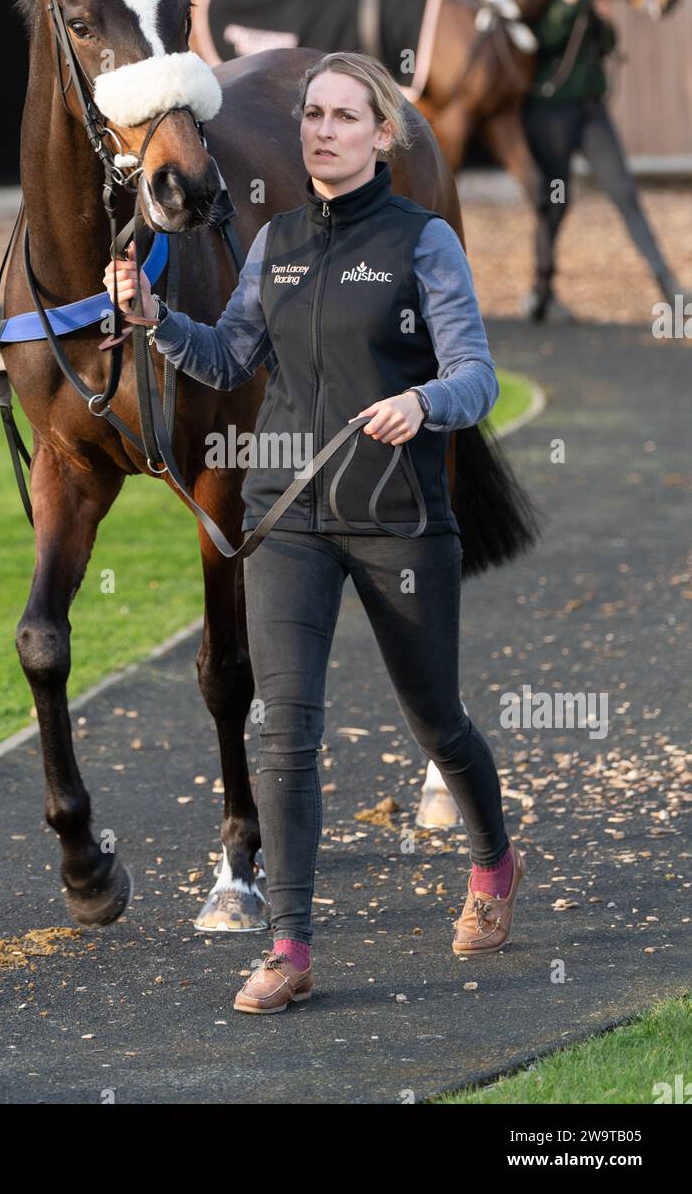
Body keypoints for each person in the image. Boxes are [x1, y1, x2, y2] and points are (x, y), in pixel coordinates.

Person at [104, 52, 525, 1015]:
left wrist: (424, 402)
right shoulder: (276, 243)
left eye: (344, 117)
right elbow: (228, 355)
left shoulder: (424, 242)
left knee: (436, 719)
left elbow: (477, 376)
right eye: (312, 116)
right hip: (287, 517)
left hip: (397, 518)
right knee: (286, 730)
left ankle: (494, 860)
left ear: (383, 135)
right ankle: (289, 946)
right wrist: (156, 318)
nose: (323, 131)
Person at [522, 0, 682, 322]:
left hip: (591, 111)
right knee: (556, 201)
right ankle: (541, 289)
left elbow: (607, 44)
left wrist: (603, 17)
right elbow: (541, 41)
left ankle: (669, 285)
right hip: (551, 112)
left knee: (624, 191)